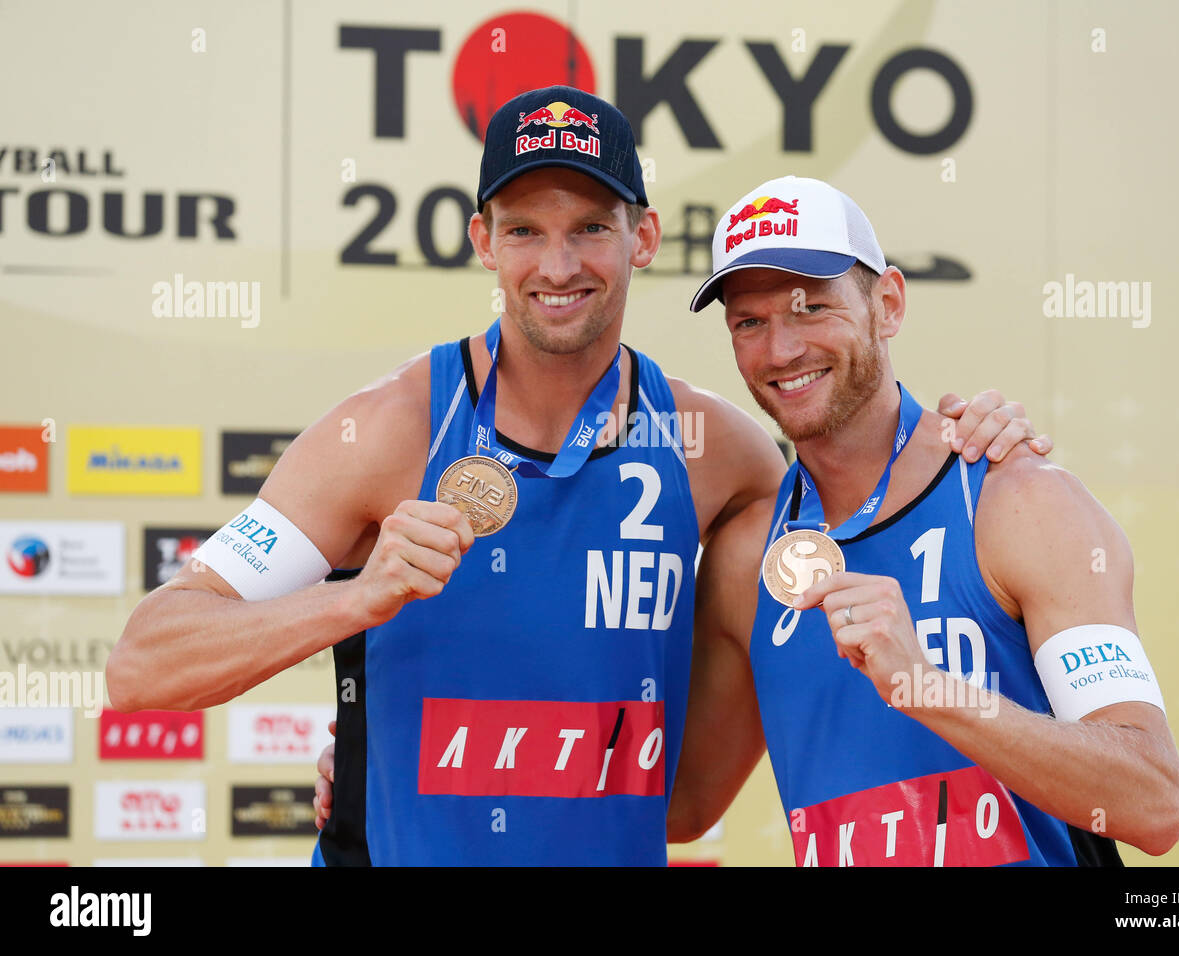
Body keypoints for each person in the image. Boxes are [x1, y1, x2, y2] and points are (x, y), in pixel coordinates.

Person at [105, 88, 1043, 866]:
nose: (558, 266)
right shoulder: (390, 431)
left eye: (591, 227)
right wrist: (354, 606)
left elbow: (858, 467)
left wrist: (972, 432)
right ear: (483, 241)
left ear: (642, 238)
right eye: (524, 231)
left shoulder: (719, 454)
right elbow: (144, 664)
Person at [662, 175, 1179, 864]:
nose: (781, 350)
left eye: (812, 307)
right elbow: (681, 807)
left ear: (888, 303)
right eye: (749, 322)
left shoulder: (1017, 500)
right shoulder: (745, 559)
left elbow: (1153, 801)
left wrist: (926, 686)